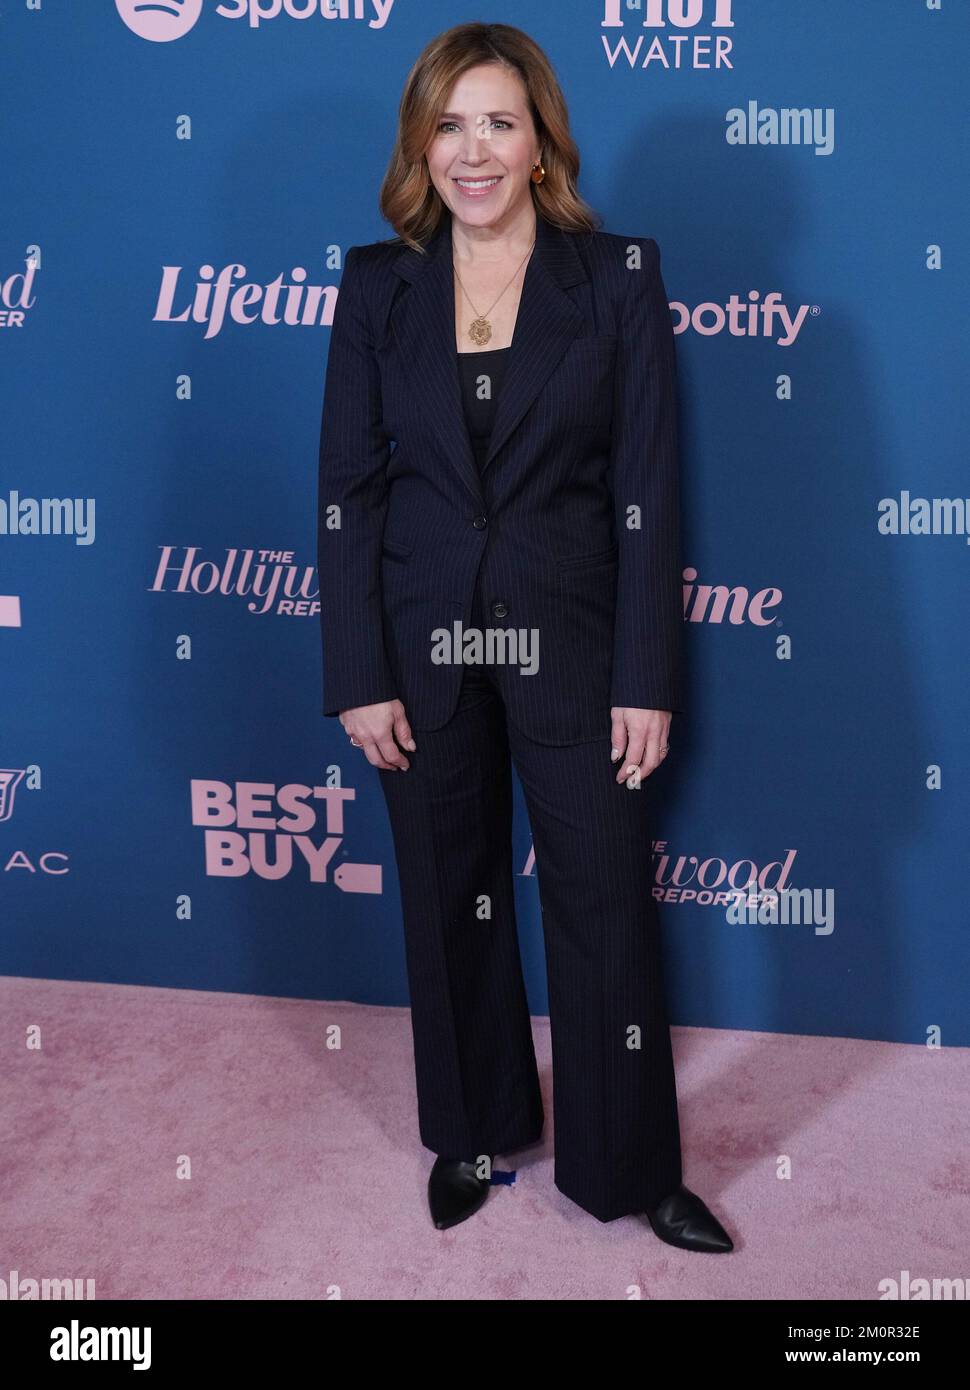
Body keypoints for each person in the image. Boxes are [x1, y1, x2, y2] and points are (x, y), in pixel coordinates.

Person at [317, 21, 733, 1253]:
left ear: (541, 141)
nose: (473, 150)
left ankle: (630, 1168)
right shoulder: (377, 284)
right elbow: (348, 488)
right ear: (419, 145)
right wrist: (359, 672)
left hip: (574, 640)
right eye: (448, 125)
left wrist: (644, 676)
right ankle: (473, 1129)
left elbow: (648, 490)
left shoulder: (615, 278)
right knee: (453, 898)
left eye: (498, 121)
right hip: (422, 642)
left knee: (604, 903)